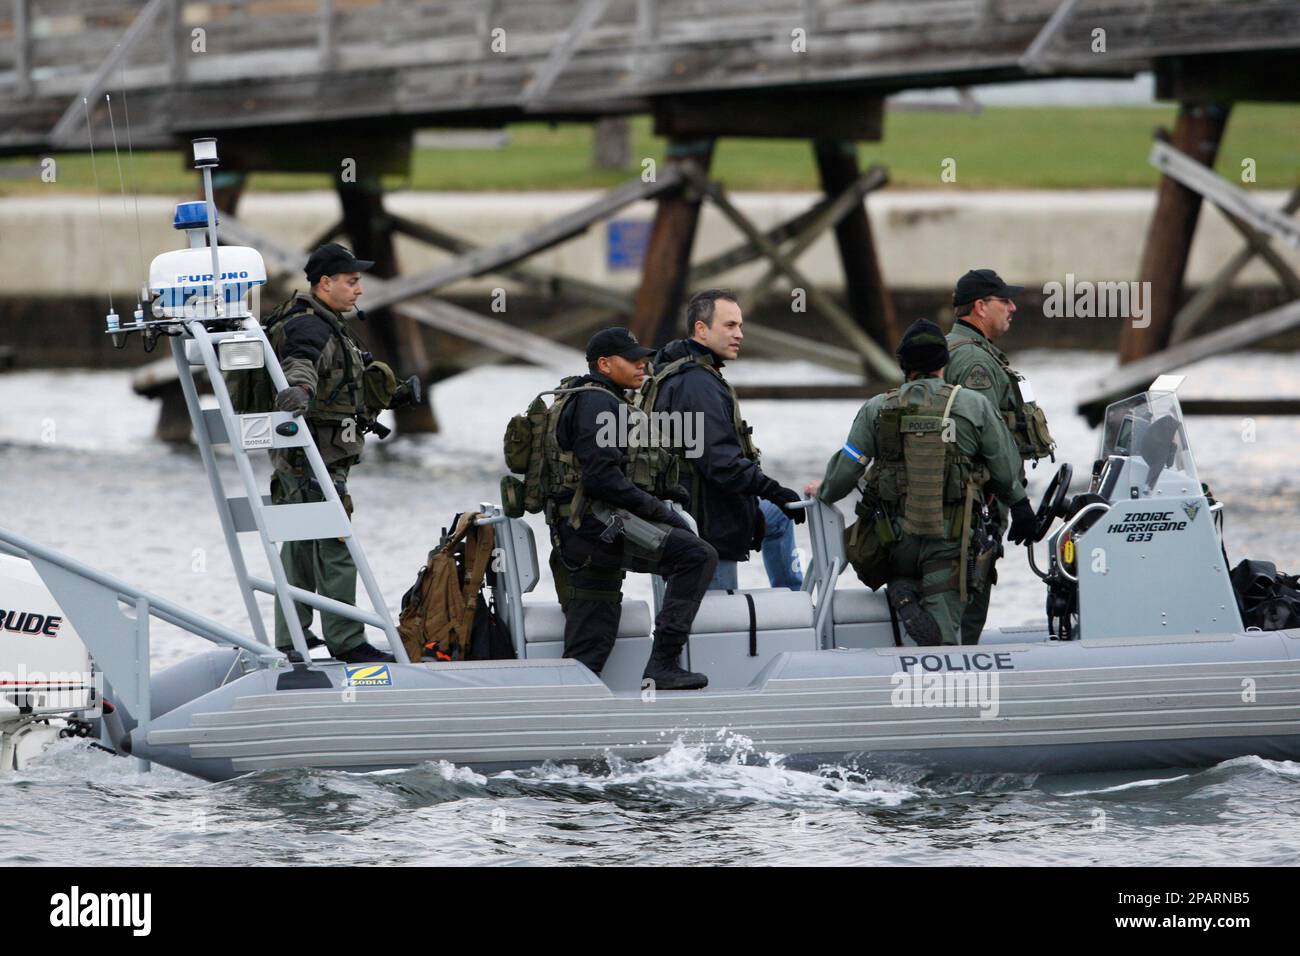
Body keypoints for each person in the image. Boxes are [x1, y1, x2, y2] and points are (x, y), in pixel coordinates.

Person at [806, 319, 1035, 647]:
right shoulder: (973, 405)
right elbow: (1005, 468)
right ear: (944, 363)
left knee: (906, 571)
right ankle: (937, 672)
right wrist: (1021, 506)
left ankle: (903, 588)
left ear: (903, 366)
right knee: (942, 641)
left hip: (894, 543)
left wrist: (824, 490)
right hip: (948, 542)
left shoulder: (877, 408)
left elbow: (848, 467)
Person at [269, 243, 420, 664]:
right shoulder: (310, 327)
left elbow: (335, 382)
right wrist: (298, 392)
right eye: (351, 282)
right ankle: (346, 640)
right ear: (325, 283)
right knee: (335, 542)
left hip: (303, 454)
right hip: (313, 456)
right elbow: (301, 365)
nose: (359, 290)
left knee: (298, 542)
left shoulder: (319, 320)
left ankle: (290, 638)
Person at [547, 327, 718, 690]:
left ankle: (571, 713)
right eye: (633, 359)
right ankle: (664, 663)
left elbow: (607, 470)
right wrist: (662, 511)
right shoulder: (598, 402)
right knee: (697, 556)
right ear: (605, 364)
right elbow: (601, 480)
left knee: (591, 639)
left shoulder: (589, 396)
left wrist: (667, 492)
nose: (644, 363)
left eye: (645, 357)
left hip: (578, 532)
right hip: (596, 529)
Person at [648, 289, 806, 592]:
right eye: (730, 326)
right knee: (715, 628)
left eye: (741, 326)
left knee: (777, 517)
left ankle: (793, 602)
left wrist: (775, 498)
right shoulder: (697, 383)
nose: (740, 334)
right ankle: (793, 606)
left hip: (696, 514)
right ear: (701, 330)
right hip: (707, 525)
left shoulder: (677, 372)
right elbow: (721, 462)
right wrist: (776, 490)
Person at [944, 269, 1056, 644]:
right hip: (977, 504)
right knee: (969, 602)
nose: (1013, 307)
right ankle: (959, 681)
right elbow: (987, 439)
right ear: (980, 306)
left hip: (971, 501)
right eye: (1004, 300)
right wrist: (1017, 501)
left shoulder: (963, 351)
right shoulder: (975, 363)